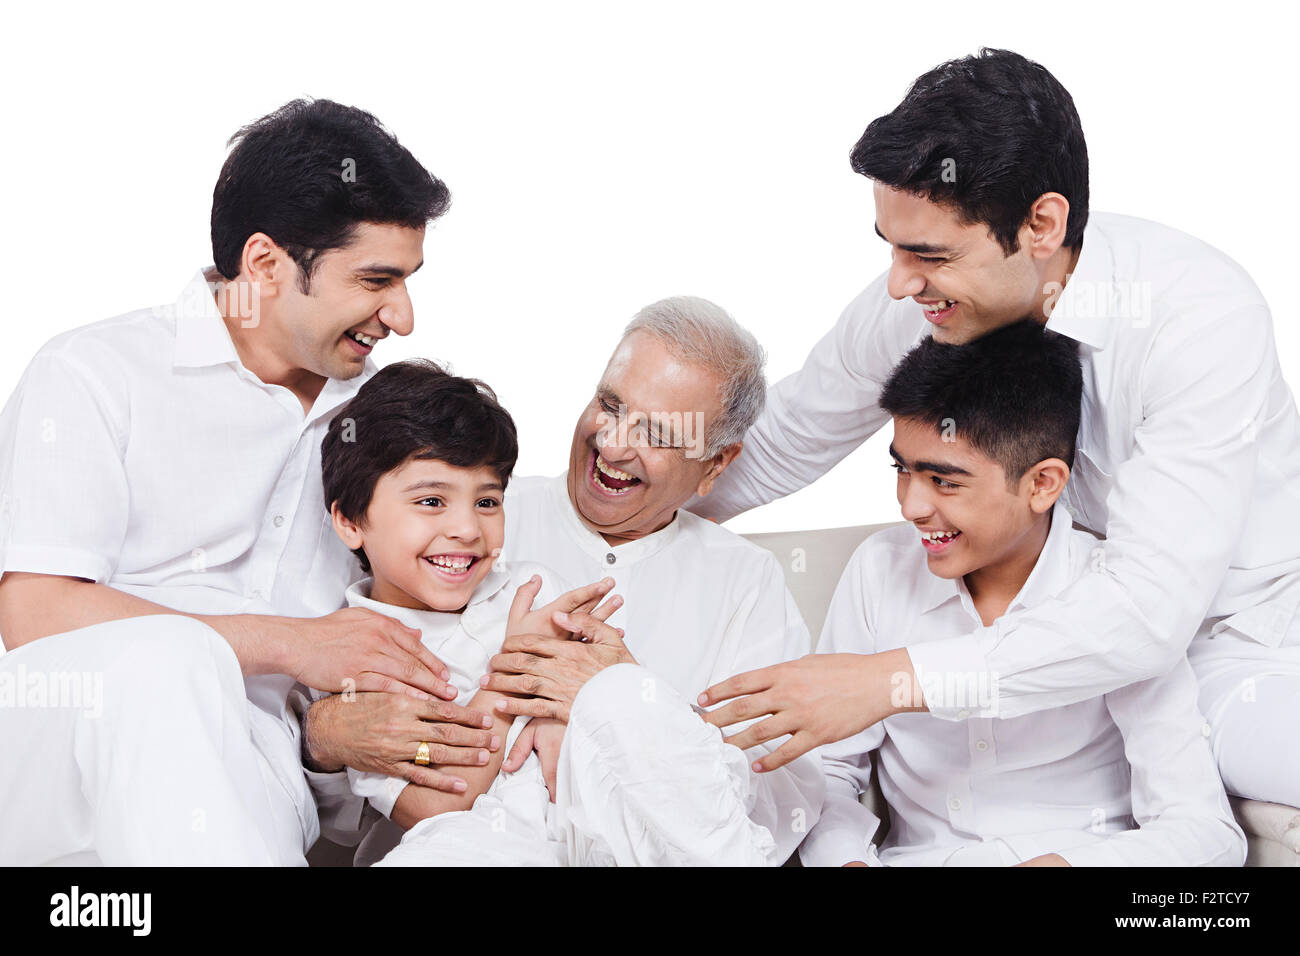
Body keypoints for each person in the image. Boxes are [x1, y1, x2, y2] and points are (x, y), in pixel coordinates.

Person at [695, 49, 1300, 811]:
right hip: (1062, 647)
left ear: (1041, 225)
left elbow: (1150, 616)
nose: (898, 283)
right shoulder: (924, 298)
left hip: (1241, 642)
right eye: (891, 246)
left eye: (930, 254)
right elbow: (779, 444)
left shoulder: (1198, 316)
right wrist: (597, 524)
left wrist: (886, 681)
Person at [0, 99, 496, 865]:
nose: (401, 317)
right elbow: (34, 613)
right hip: (66, 760)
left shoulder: (386, 421)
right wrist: (294, 646)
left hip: (253, 788)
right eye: (376, 279)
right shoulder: (96, 373)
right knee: (167, 663)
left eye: (407, 280)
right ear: (264, 265)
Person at [306, 295, 825, 865]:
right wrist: (323, 731)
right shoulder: (462, 515)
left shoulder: (745, 581)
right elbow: (366, 789)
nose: (613, 444)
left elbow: (769, 791)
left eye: (657, 434)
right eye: (610, 404)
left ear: (716, 464)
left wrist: (611, 708)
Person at [799, 321, 1245, 867]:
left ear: (1042, 484)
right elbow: (827, 767)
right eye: (902, 469)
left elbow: (1206, 831)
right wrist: (845, 860)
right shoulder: (878, 569)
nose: (911, 506)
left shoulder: (1122, 598)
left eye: (944, 481)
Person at [306, 358, 621, 866]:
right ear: (350, 521)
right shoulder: (360, 659)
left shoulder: (534, 589)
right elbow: (434, 807)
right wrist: (516, 677)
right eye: (432, 501)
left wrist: (569, 710)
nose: (468, 530)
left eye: (487, 502)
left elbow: (626, 705)